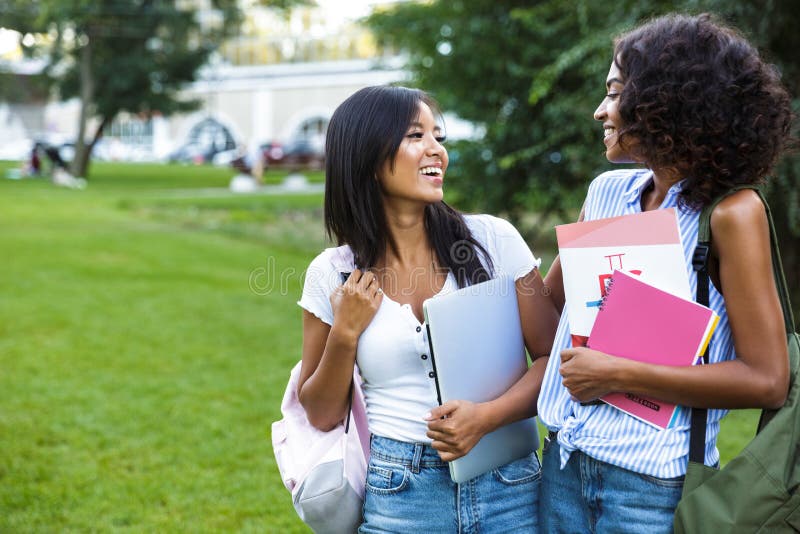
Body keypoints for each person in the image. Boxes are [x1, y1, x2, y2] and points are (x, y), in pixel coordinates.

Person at [537, 13, 793, 533]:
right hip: (561, 468)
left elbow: (767, 381)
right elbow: (546, 314)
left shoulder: (729, 214)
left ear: (666, 100)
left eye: (614, 93)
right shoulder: (607, 193)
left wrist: (617, 373)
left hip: (650, 491)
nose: (599, 111)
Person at [297, 85, 559, 532]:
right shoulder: (333, 272)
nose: (436, 149)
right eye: (415, 136)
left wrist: (487, 417)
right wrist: (345, 333)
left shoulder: (492, 242)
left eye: (438, 136)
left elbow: (555, 361)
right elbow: (320, 413)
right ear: (367, 156)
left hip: (509, 486)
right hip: (400, 493)